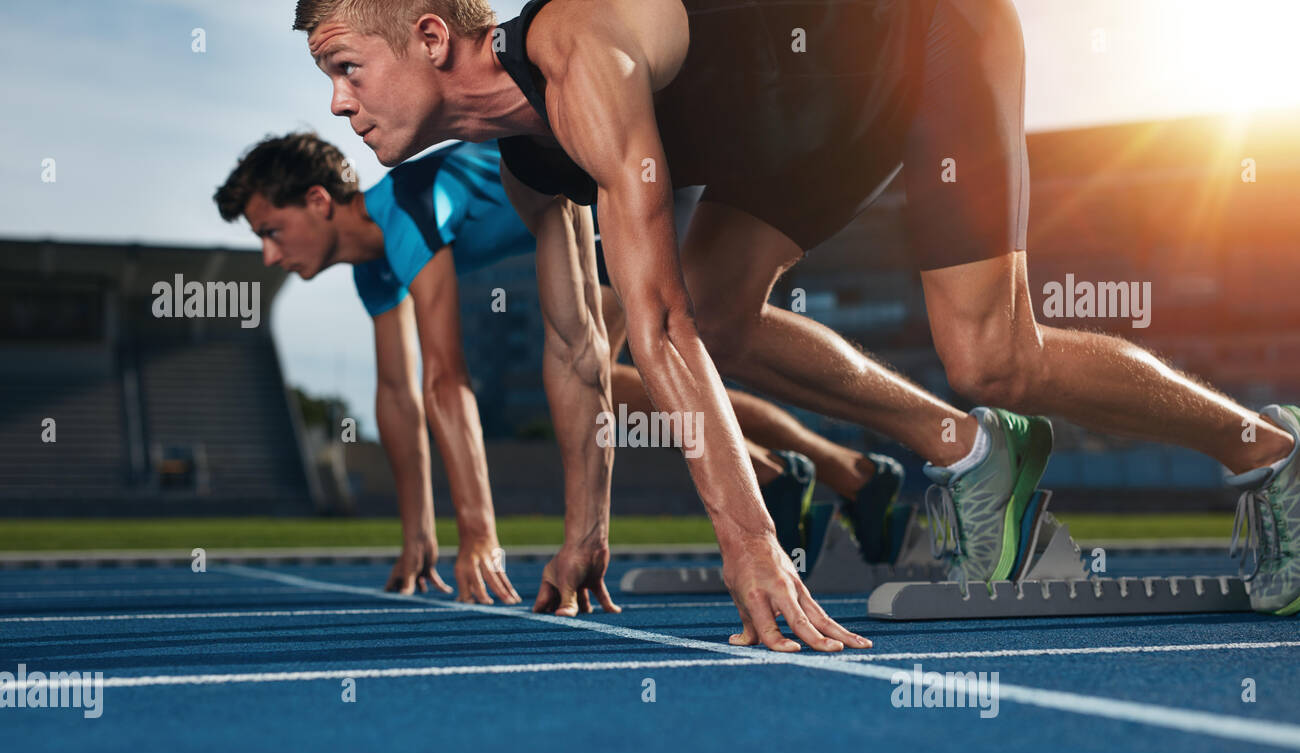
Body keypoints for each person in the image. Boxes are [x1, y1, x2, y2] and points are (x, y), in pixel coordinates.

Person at [292, 0, 1298, 651]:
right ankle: (974, 454)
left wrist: (748, 538)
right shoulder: (530, 164)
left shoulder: (579, 49)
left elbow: (660, 312)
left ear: (430, 35)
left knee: (991, 352)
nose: (337, 105)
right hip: (795, 129)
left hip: (918, 37)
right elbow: (575, 348)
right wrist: (583, 534)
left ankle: (1269, 450)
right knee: (703, 321)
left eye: (345, 67)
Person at [215, 132, 903, 605]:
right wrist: (419, 534)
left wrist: (478, 533)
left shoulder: (408, 208)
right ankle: (831, 472)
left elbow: (446, 380)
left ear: (316, 201)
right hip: (580, 228)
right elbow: (397, 396)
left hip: (608, 198)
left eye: (269, 232)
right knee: (618, 387)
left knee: (595, 375)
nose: (270, 256)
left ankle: (818, 472)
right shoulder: (374, 270)